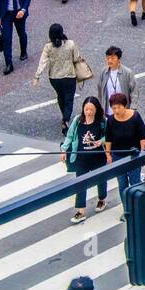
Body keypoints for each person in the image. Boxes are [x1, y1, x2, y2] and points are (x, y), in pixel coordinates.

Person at [32, 22, 87, 133]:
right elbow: (77, 59)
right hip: (69, 76)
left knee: (60, 96)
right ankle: (65, 120)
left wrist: (37, 76)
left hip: (54, 78)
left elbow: (42, 62)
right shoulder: (71, 44)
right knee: (69, 98)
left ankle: (64, 115)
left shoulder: (48, 47)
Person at [61, 96, 108, 224]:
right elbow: (70, 136)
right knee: (80, 183)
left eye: (91, 110)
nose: (88, 112)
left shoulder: (102, 121)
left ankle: (102, 199)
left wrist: (101, 141)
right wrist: (64, 150)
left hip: (98, 157)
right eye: (86, 109)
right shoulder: (78, 120)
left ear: (96, 110)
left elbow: (108, 136)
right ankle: (81, 211)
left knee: (101, 179)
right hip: (81, 158)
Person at [104, 93, 145, 218]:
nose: (116, 110)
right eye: (114, 108)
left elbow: (143, 135)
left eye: (118, 107)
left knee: (135, 183)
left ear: (125, 105)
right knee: (122, 184)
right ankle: (127, 210)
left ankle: (138, 209)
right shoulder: (111, 120)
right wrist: (108, 154)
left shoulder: (135, 117)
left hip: (133, 155)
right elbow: (108, 138)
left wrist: (142, 152)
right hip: (118, 156)